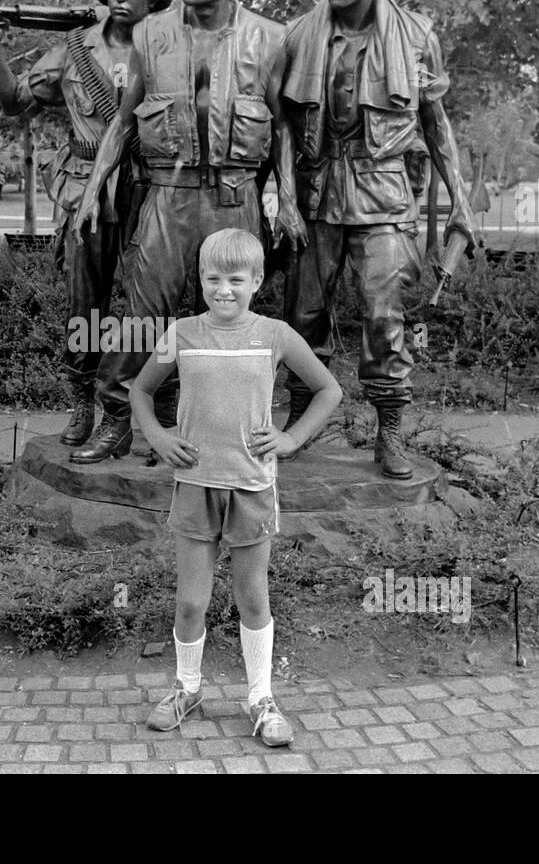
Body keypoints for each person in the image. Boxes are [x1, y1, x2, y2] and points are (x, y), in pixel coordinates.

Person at [71, 0, 306, 465]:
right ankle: (117, 421)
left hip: (234, 195)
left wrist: (287, 199)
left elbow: (285, 128)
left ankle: (221, 430)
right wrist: (91, 190)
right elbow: (123, 121)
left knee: (229, 317)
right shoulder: (150, 34)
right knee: (141, 314)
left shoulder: (268, 37)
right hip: (168, 196)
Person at [277, 0, 478, 476]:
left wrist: (459, 198)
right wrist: (287, 200)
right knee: (302, 317)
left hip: (384, 194)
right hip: (317, 193)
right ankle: (299, 426)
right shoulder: (299, 35)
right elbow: (285, 128)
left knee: (384, 316)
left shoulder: (415, 37)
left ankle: (390, 431)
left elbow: (436, 124)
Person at [131, 228, 343, 747]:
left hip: (250, 486)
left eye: (235, 279)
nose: (223, 289)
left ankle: (260, 698)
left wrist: (292, 438)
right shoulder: (180, 333)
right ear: (200, 280)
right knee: (190, 603)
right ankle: (187, 688)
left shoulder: (275, 334)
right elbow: (139, 390)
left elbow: (327, 389)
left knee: (252, 599)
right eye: (212, 278)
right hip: (194, 485)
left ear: (256, 281)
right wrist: (158, 437)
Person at [0, 0, 171, 449]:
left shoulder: (167, 49)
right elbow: (15, 102)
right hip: (85, 187)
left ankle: (136, 407)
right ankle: (82, 399)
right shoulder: (75, 49)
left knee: (147, 302)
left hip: (152, 187)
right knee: (86, 304)